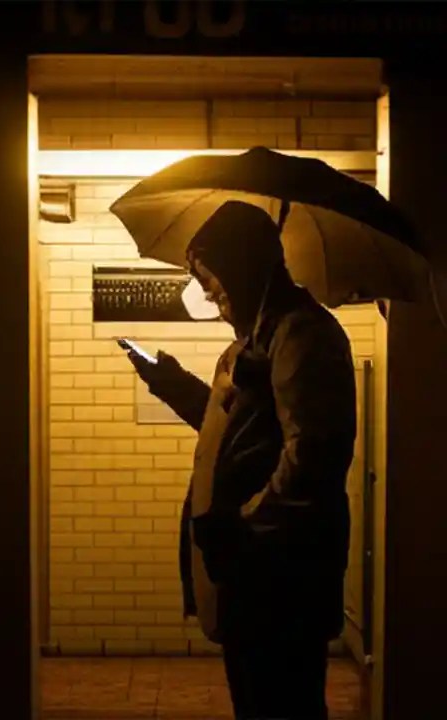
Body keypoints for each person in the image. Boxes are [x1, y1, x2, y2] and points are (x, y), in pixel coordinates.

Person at [127, 201, 354, 720]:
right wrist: (172, 384)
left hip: (279, 577)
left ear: (245, 267)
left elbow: (313, 455)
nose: (211, 295)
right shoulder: (257, 340)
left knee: (282, 706)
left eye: (214, 280)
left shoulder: (300, 335)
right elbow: (238, 432)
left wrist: (246, 528)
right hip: (253, 576)